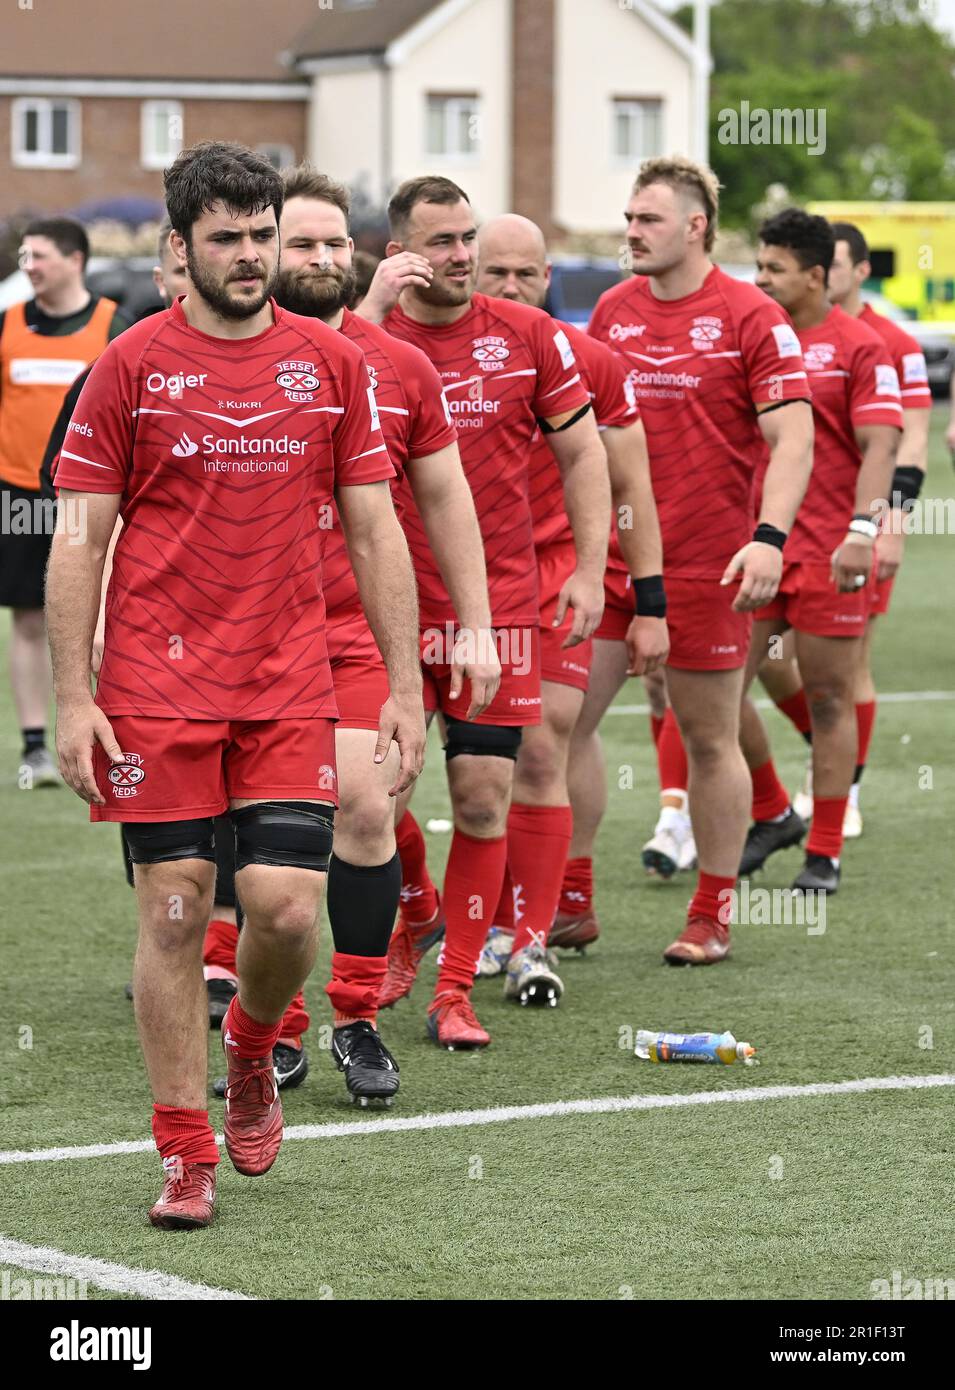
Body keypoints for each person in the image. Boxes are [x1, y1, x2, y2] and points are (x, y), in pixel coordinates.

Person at [46, 141, 425, 1230]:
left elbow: (371, 525)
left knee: (287, 909)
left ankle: (254, 1044)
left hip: (287, 680)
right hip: (156, 689)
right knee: (172, 915)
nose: (252, 256)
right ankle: (184, 1153)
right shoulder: (128, 365)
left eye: (264, 234)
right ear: (179, 247)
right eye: (228, 238)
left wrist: (403, 681)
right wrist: (74, 696)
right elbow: (79, 536)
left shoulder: (331, 362)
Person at [206, 164, 498, 1100]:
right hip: (246, 638)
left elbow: (446, 498)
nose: (323, 257)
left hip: (356, 631)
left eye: (337, 242)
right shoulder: (213, 356)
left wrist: (481, 627)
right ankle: (274, 1027)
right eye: (302, 241)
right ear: (263, 251)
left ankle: (358, 1017)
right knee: (266, 856)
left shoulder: (397, 364)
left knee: (369, 809)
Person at [361, 176, 611, 1044]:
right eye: (442, 242)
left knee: (481, 795)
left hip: (494, 605)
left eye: (467, 238)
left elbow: (584, 456)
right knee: (366, 796)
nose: (463, 257)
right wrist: (368, 308)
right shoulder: (362, 341)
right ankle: (416, 903)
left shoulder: (531, 337)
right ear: (399, 255)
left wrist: (589, 568)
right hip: (377, 610)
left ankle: (455, 990)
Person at [586, 157, 814, 964]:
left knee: (708, 736)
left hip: (707, 567)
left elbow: (793, 439)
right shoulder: (610, 311)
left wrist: (768, 537)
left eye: (646, 219)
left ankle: (711, 913)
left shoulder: (752, 316)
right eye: (628, 218)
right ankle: (569, 901)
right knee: (561, 728)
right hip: (611, 563)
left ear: (693, 225)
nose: (631, 232)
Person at [473, 213, 668, 993]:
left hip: (549, 575)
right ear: (469, 273)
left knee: (547, 744)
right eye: (498, 273)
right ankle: (447, 913)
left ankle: (532, 933)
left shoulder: (589, 360)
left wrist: (644, 598)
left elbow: (631, 487)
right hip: (447, 584)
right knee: (449, 772)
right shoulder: (424, 351)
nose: (514, 287)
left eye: (529, 274)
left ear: (548, 278)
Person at [738, 209, 901, 893]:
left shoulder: (859, 346)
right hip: (756, 549)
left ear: (815, 276)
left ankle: (824, 850)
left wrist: (863, 531)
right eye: (758, 265)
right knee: (712, 692)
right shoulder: (746, 339)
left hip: (830, 551)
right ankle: (773, 808)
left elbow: (880, 446)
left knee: (830, 700)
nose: (760, 279)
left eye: (774, 268)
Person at [781, 221, 932, 837]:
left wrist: (887, 526)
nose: (828, 274)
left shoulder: (890, 342)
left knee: (852, 668)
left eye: (839, 264)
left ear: (859, 271)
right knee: (767, 658)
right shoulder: (779, 335)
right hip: (782, 533)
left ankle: (844, 794)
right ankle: (818, 774)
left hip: (852, 533)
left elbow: (910, 442)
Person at [0, 217, 127, 788]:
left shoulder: (111, 326)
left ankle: (103, 726)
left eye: (40, 256)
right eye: (24, 256)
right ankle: (34, 746)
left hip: (93, 495)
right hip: (19, 490)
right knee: (28, 615)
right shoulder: (6, 326)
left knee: (100, 612)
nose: (29, 266)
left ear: (75, 260)